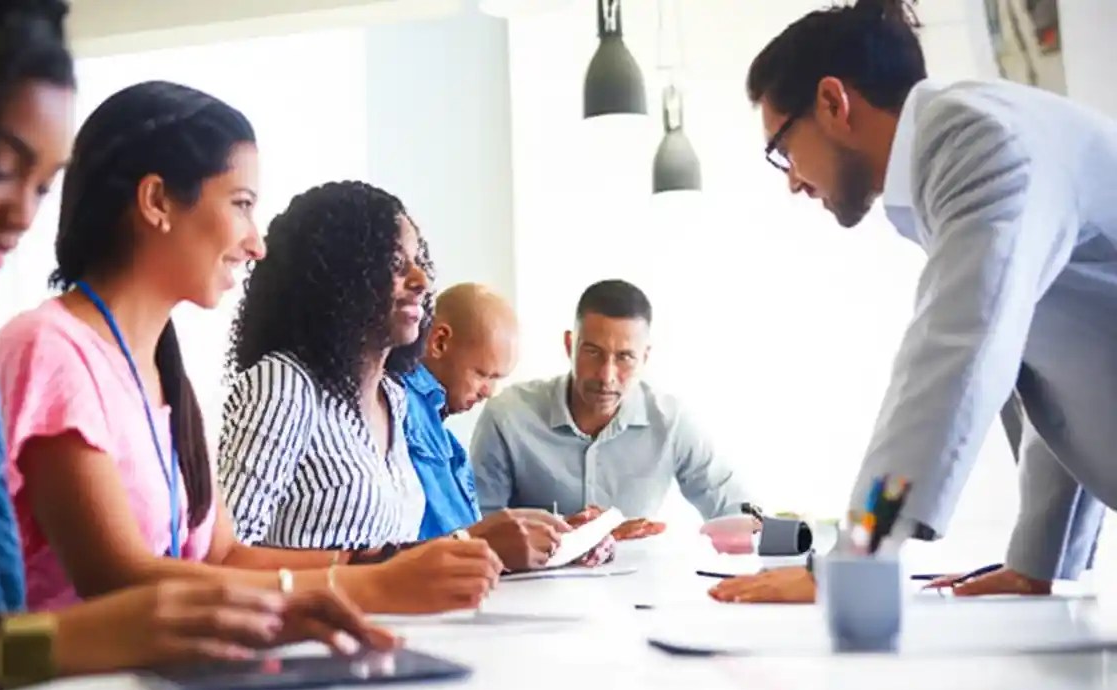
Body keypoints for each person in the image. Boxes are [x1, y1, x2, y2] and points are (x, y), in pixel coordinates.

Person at [0, 5, 386, 690]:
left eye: (41, 185)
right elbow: (47, 619)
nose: (21, 215)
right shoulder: (38, 350)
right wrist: (63, 642)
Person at [0, 83, 477, 619]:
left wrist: (377, 567)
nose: (256, 244)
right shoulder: (48, 348)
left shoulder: (159, 368)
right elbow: (117, 574)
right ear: (157, 202)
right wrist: (370, 589)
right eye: (241, 205)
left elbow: (223, 554)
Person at [709, 0, 1117, 603]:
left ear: (832, 103)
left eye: (782, 149)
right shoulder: (972, 139)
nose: (793, 179)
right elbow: (1041, 367)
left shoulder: (978, 144)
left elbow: (953, 356)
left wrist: (854, 557)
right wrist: (1034, 561)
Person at [220, 180, 503, 610]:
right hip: (304, 645)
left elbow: (396, 560)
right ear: (339, 276)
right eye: (394, 263)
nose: (422, 280)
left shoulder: (394, 397)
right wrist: (367, 570)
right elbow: (223, 558)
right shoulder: (283, 385)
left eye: (419, 261)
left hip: (389, 636)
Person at [471, 279, 754, 536]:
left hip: (639, 589)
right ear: (570, 346)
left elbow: (737, 512)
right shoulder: (507, 416)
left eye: (625, 357)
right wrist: (591, 537)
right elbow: (477, 532)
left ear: (645, 357)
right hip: (531, 587)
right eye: (593, 352)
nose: (606, 375)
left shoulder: (671, 421)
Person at [403, 282, 570, 569]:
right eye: (483, 374)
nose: (489, 392)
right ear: (440, 341)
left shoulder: (446, 441)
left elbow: (469, 540)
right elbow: (445, 551)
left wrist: (557, 535)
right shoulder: (398, 410)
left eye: (497, 378)